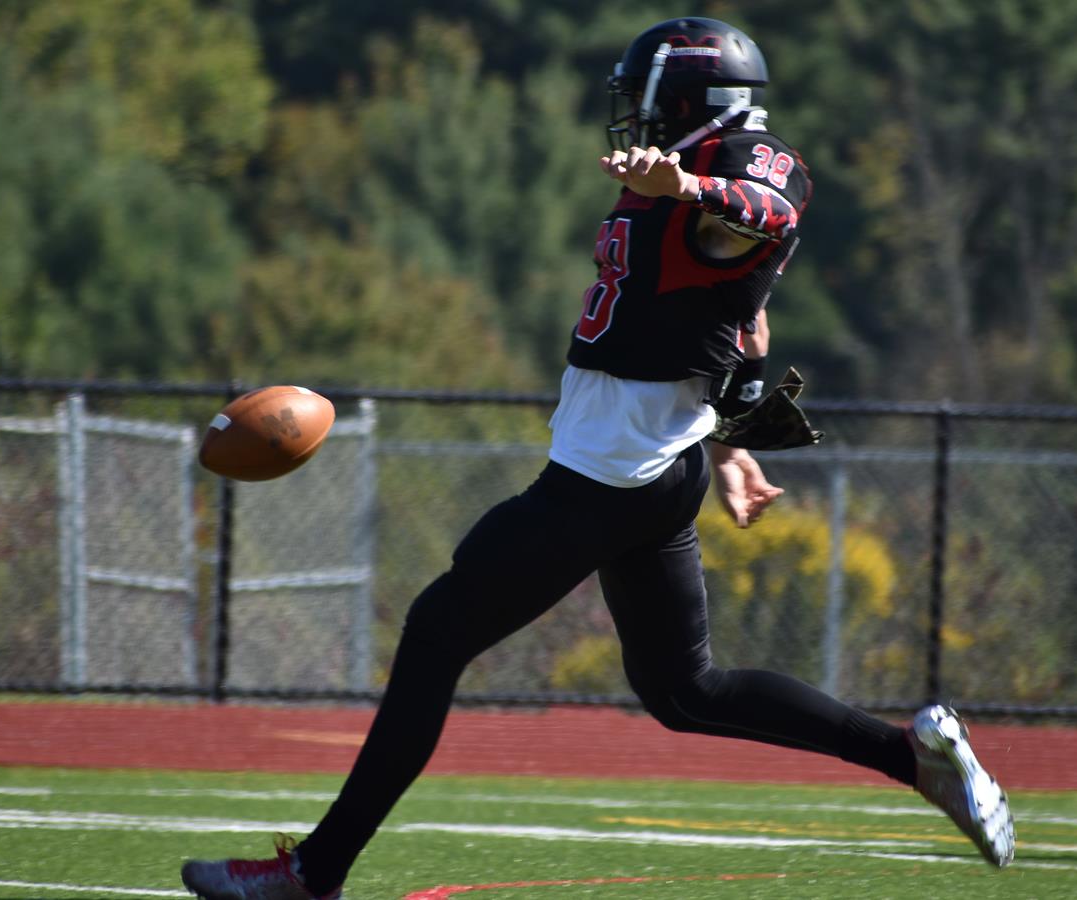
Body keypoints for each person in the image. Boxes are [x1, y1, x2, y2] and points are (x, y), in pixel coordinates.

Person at [181, 17, 1014, 899]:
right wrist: (729, 436)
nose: (633, 117)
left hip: (609, 477)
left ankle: (315, 873)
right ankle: (911, 759)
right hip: (654, 465)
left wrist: (689, 181)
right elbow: (747, 321)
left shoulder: (743, 168)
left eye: (646, 99)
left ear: (689, 99)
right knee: (686, 691)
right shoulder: (697, 179)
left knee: (434, 635)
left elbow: (772, 215)